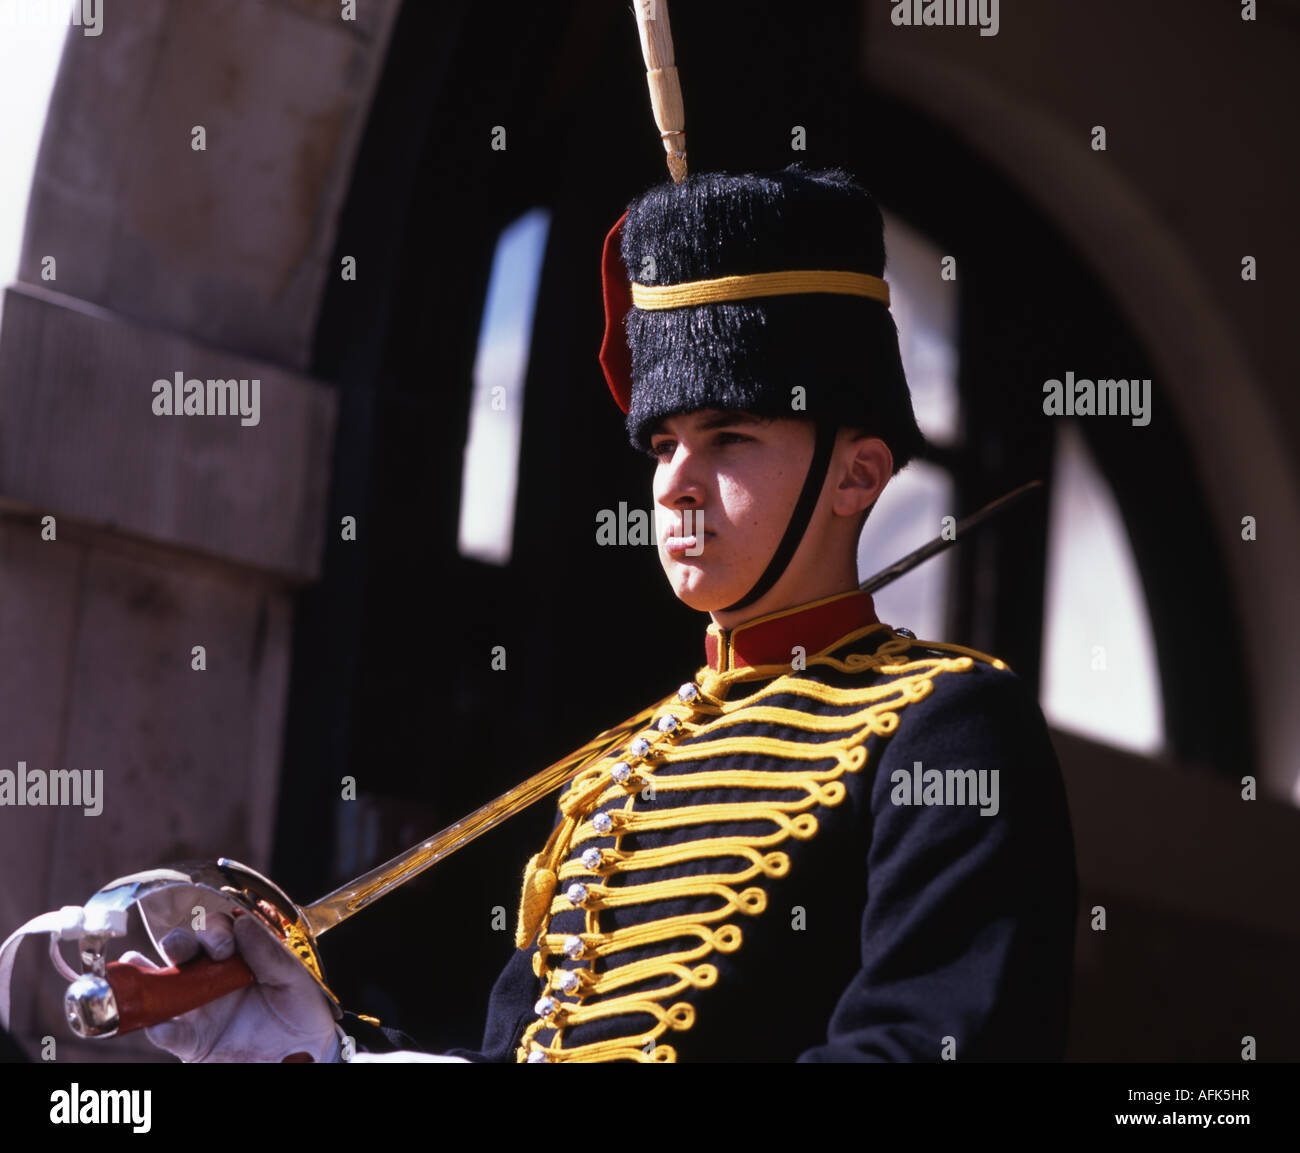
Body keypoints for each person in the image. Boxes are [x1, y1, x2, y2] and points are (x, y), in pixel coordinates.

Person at [134, 164, 1078, 1063]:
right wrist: (319, 1049)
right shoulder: (620, 773)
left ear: (858, 472)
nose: (676, 484)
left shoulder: (948, 727)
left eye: (730, 437)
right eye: (663, 444)